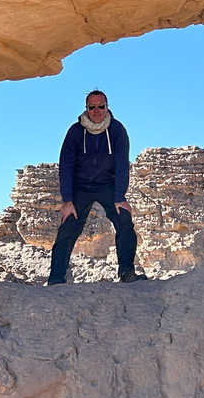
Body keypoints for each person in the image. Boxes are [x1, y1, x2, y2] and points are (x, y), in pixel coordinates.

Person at [47, 89, 147, 285]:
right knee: (68, 225)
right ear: (86, 109)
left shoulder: (117, 130)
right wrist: (67, 200)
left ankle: (126, 272)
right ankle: (56, 278)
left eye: (101, 106)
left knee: (124, 220)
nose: (96, 111)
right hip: (80, 186)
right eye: (92, 107)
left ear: (107, 107)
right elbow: (65, 165)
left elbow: (122, 164)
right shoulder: (75, 132)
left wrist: (120, 196)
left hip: (107, 185)